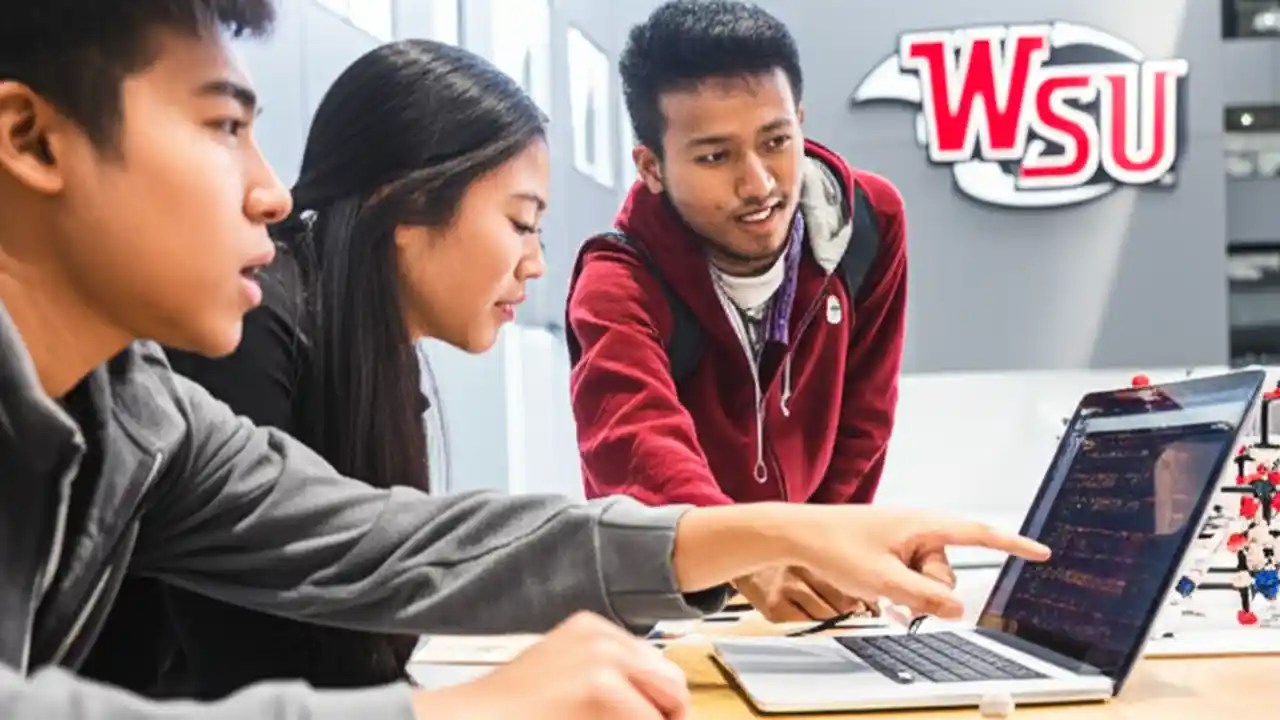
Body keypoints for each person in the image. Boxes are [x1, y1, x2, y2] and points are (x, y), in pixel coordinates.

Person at [0, 2, 1050, 718]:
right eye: (224, 125)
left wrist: (786, 529)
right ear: (32, 140)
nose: (272, 192)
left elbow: (390, 541)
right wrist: (458, 709)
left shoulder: (143, 413)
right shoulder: (612, 276)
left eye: (773, 141)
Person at [79, 38, 549, 699]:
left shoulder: (365, 348)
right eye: (522, 223)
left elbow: (379, 551)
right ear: (407, 201)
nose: (277, 195)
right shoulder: (249, 324)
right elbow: (248, 657)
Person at [565, 0, 908, 624]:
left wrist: (821, 559)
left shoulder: (868, 223)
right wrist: (754, 555)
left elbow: (866, 418)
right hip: (672, 603)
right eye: (714, 156)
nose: (759, 184)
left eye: (776, 142)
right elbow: (638, 445)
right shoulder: (616, 282)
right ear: (651, 168)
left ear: (800, 121)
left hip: (801, 595)